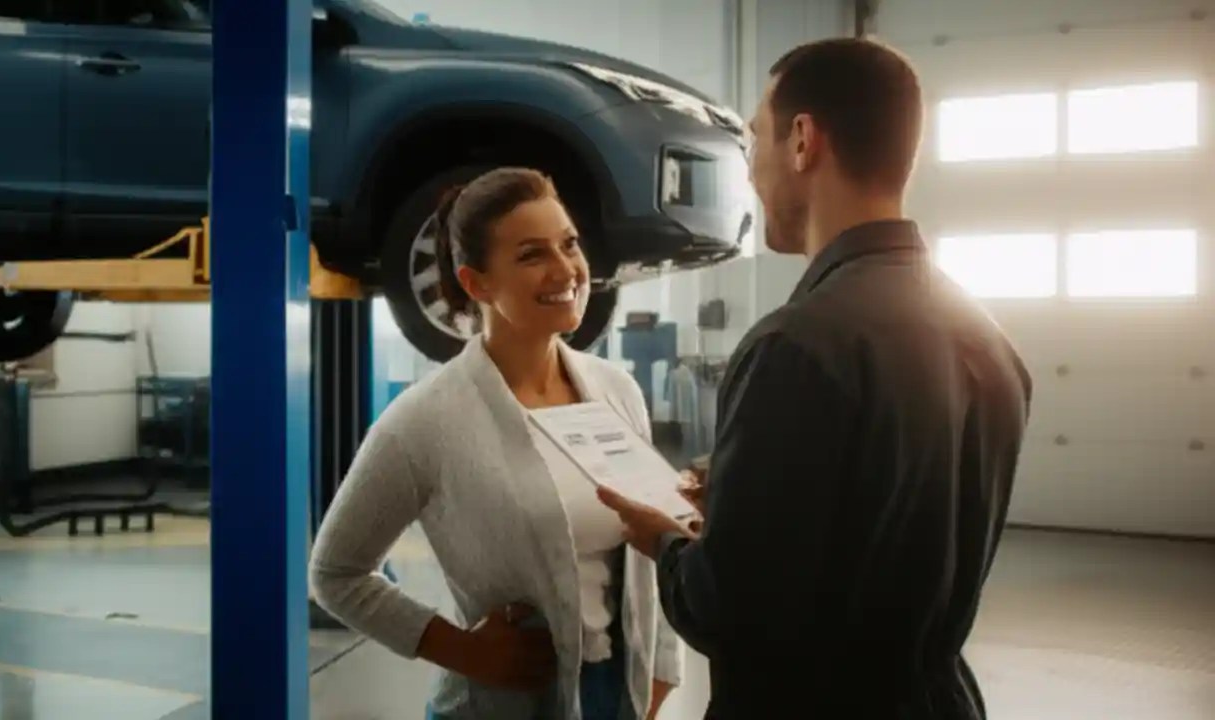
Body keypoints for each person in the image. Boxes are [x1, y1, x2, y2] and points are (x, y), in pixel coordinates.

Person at [597, 38, 1033, 718]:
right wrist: (741, 482)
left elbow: (725, 609)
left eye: (752, 141)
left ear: (802, 141)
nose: (751, 174)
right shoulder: (988, 340)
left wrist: (662, 537)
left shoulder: (794, 347)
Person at [309, 167, 683, 720]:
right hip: (501, 704)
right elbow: (334, 573)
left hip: (618, 696)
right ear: (476, 283)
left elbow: (646, 560)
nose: (566, 270)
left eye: (569, 244)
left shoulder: (616, 391)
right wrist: (462, 651)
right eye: (532, 255)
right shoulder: (426, 420)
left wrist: (660, 672)